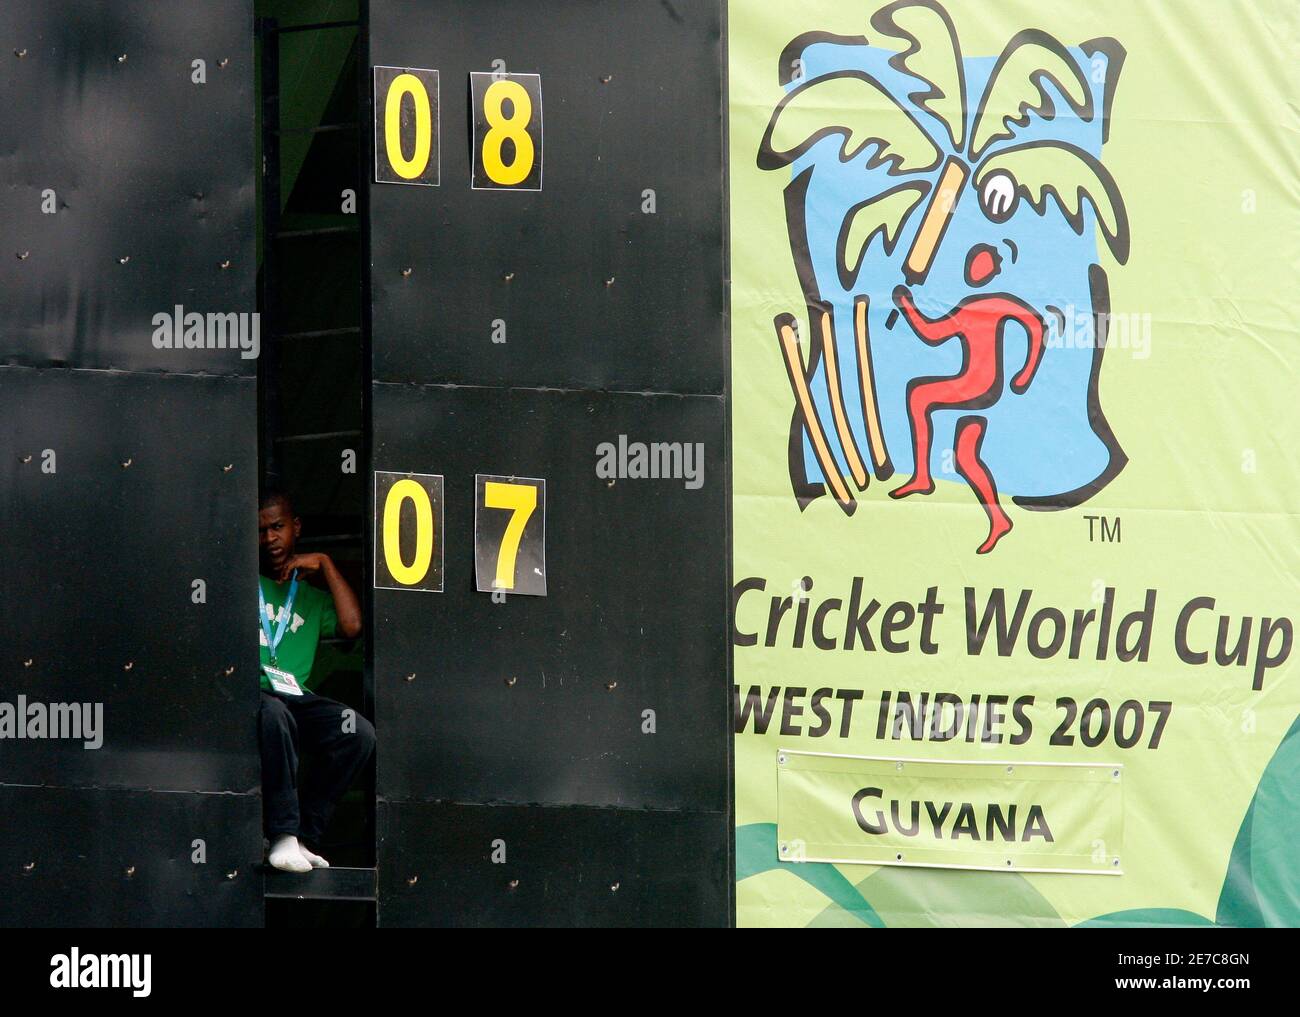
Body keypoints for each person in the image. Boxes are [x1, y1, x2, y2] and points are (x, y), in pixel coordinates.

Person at [889, 244, 1046, 554]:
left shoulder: (994, 302)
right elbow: (933, 334)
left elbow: (1035, 324)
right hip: (977, 388)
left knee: (919, 396)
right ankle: (998, 519)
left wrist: (1026, 373)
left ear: (993, 269)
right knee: (965, 459)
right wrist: (908, 307)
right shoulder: (966, 307)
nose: (974, 267)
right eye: (972, 260)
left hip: (979, 386)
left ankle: (922, 476)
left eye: (982, 261)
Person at [257, 489, 374, 873]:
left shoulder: (310, 596)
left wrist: (325, 563)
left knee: (357, 733)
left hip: (294, 697)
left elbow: (352, 625)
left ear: (296, 527)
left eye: (277, 527)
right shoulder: (244, 581)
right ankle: (283, 834)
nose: (270, 538)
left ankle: (304, 836)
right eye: (260, 530)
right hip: (254, 694)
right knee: (274, 715)